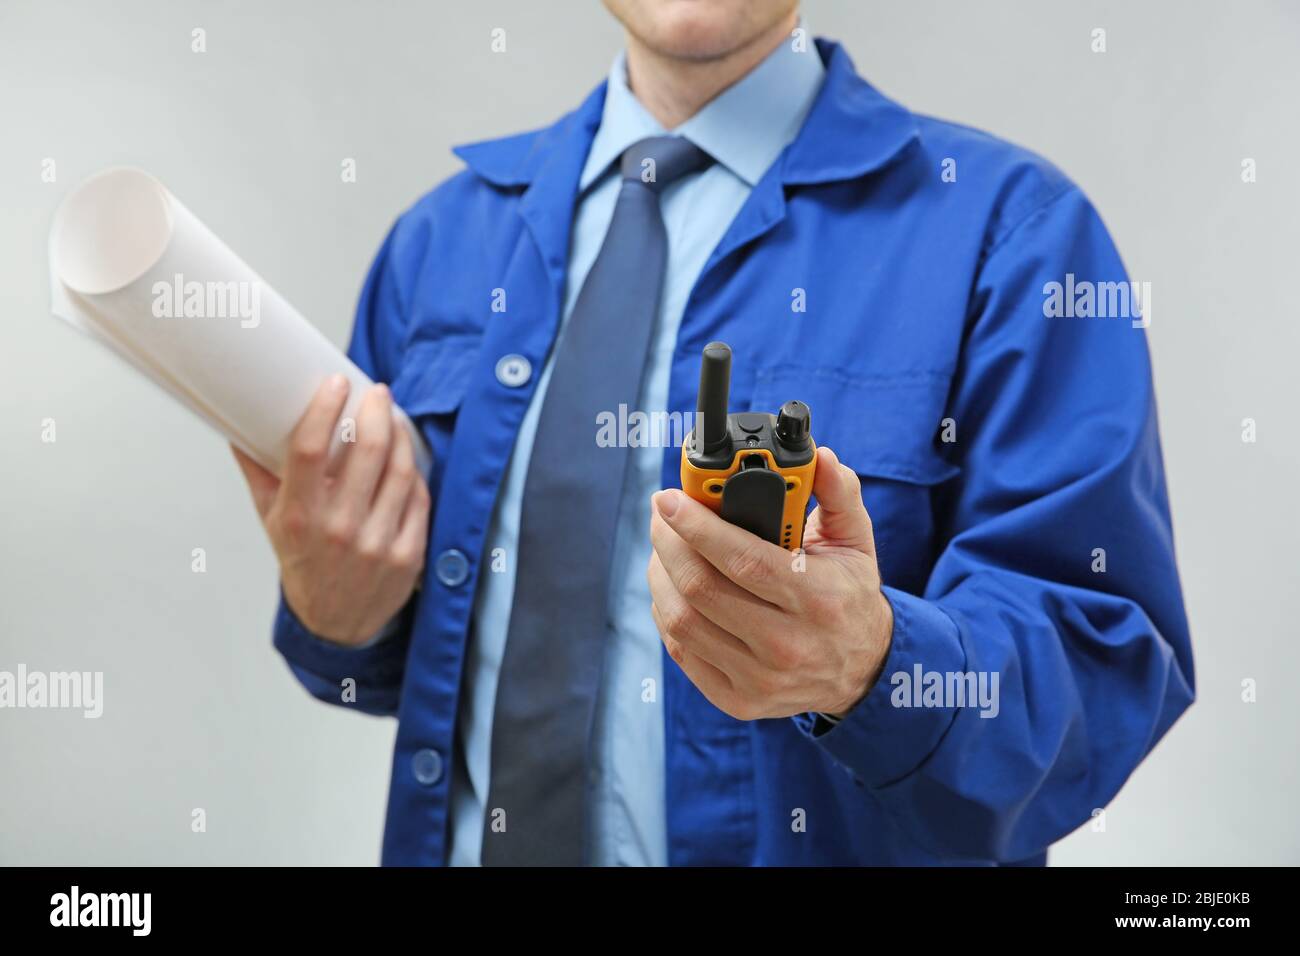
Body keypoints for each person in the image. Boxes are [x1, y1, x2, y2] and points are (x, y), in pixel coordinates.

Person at [233, 0, 1194, 866]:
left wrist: (877, 667)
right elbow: (415, 671)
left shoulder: (1012, 235)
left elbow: (1104, 662)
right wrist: (340, 615)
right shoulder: (439, 246)